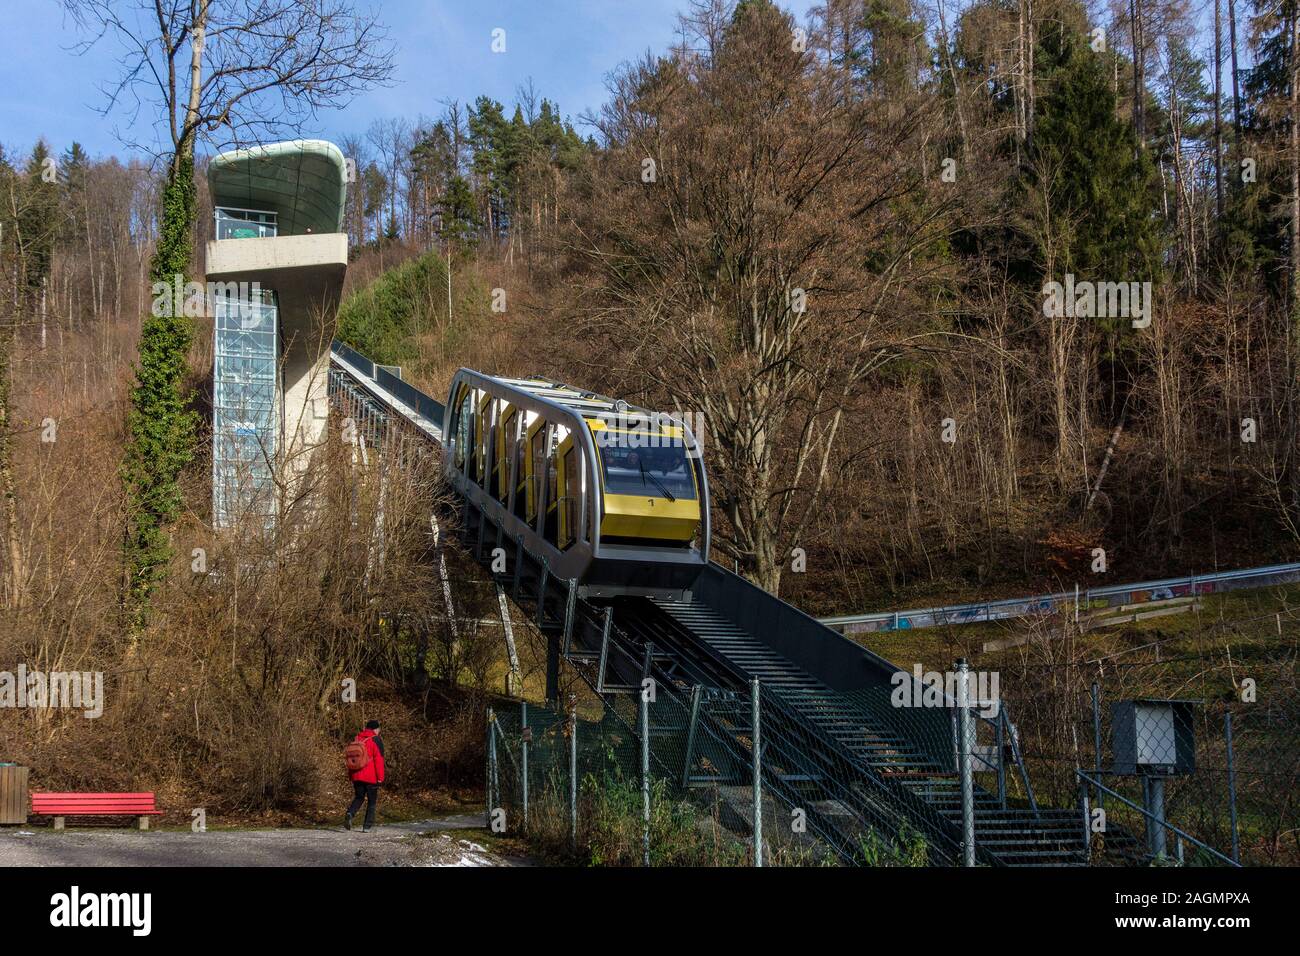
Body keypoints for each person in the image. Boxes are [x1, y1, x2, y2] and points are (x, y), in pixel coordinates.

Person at [345, 720, 385, 831]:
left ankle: (350, 813)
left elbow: (351, 759)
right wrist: (380, 778)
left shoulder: (357, 738)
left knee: (359, 797)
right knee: (372, 801)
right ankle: (367, 826)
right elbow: (379, 760)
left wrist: (351, 775)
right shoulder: (376, 740)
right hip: (371, 777)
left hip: (356, 775)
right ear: (375, 729)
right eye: (378, 729)